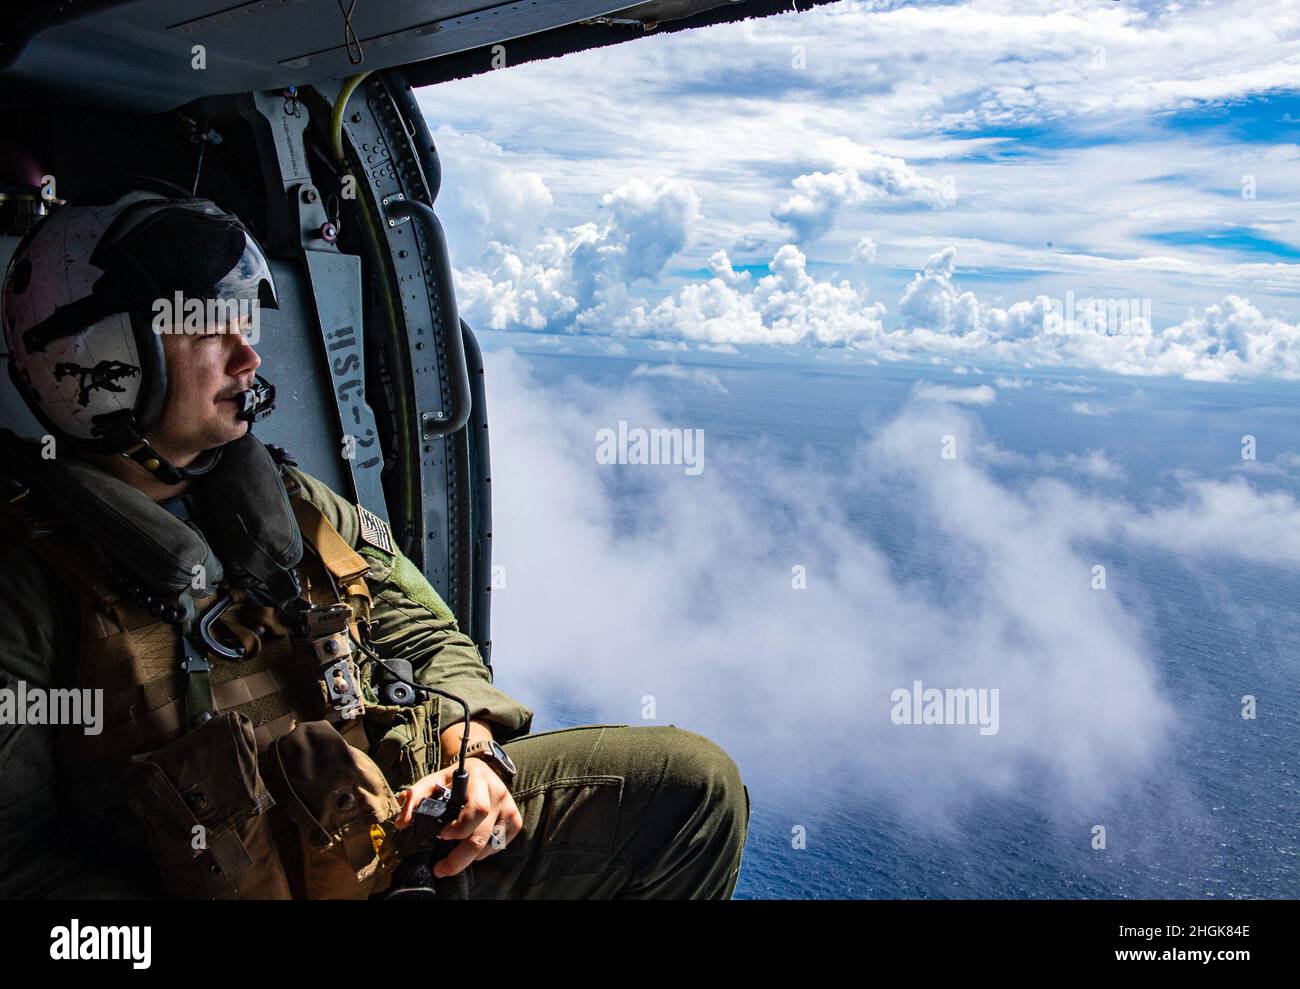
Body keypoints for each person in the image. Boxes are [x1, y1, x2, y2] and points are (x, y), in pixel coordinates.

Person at [0, 185, 750, 899]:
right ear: (102, 357)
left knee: (693, 794)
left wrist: (473, 750)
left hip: (399, 847)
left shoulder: (290, 503)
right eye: (206, 329)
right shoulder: (27, 574)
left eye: (242, 324)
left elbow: (427, 634)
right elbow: (16, 866)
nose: (247, 357)